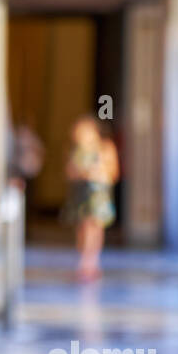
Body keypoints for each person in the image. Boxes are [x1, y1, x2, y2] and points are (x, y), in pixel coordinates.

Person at [63, 115, 120, 281]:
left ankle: (92, 262)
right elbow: (69, 172)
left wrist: (97, 171)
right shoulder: (76, 151)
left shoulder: (105, 148)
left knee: (94, 228)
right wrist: (80, 172)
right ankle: (84, 261)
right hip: (81, 194)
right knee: (82, 228)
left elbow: (113, 172)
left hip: (98, 196)